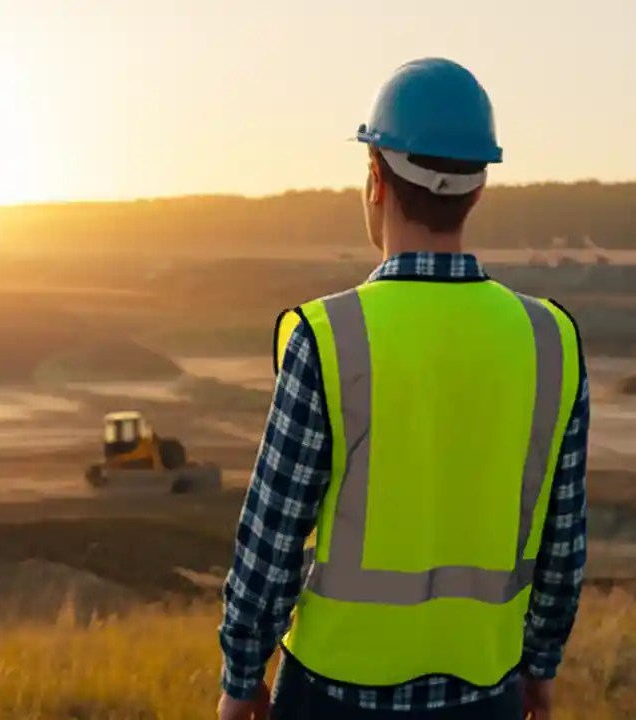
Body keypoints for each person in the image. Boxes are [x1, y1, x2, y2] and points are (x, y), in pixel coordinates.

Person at [216, 57, 589, 720]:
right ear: (477, 191)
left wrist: (243, 677)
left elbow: (271, 539)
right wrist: (540, 666)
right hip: (486, 689)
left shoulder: (328, 338)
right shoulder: (550, 341)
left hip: (334, 695)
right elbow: (562, 542)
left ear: (375, 180)